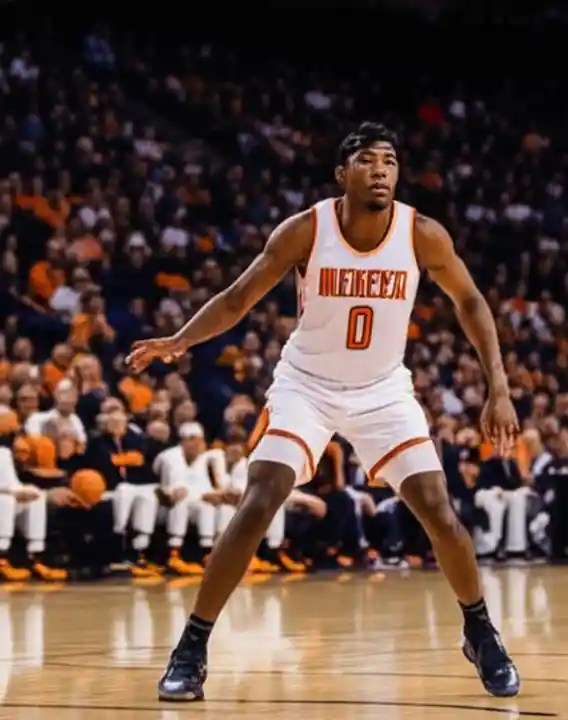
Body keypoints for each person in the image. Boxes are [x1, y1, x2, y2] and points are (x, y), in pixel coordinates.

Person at [129, 122, 522, 702]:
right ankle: (192, 646)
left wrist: (499, 386)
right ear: (343, 174)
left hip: (383, 389)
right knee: (261, 498)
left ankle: (480, 631)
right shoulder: (307, 229)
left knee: (439, 511)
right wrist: (178, 341)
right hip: (306, 385)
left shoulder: (423, 234)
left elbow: (470, 300)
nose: (382, 170)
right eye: (368, 160)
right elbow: (237, 299)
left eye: (390, 160)